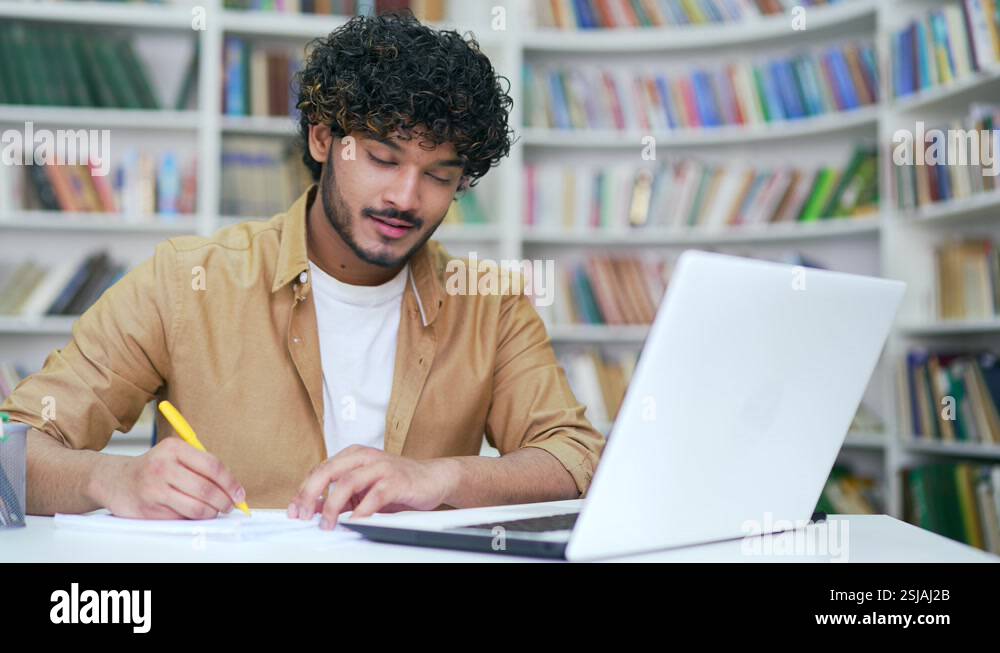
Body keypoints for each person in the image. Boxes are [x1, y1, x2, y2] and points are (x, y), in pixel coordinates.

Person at [0, 12, 604, 530]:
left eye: (439, 176)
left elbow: (576, 457)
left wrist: (439, 478)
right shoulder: (186, 281)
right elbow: (12, 451)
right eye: (382, 158)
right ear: (322, 139)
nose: (405, 197)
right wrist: (113, 479)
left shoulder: (490, 304)